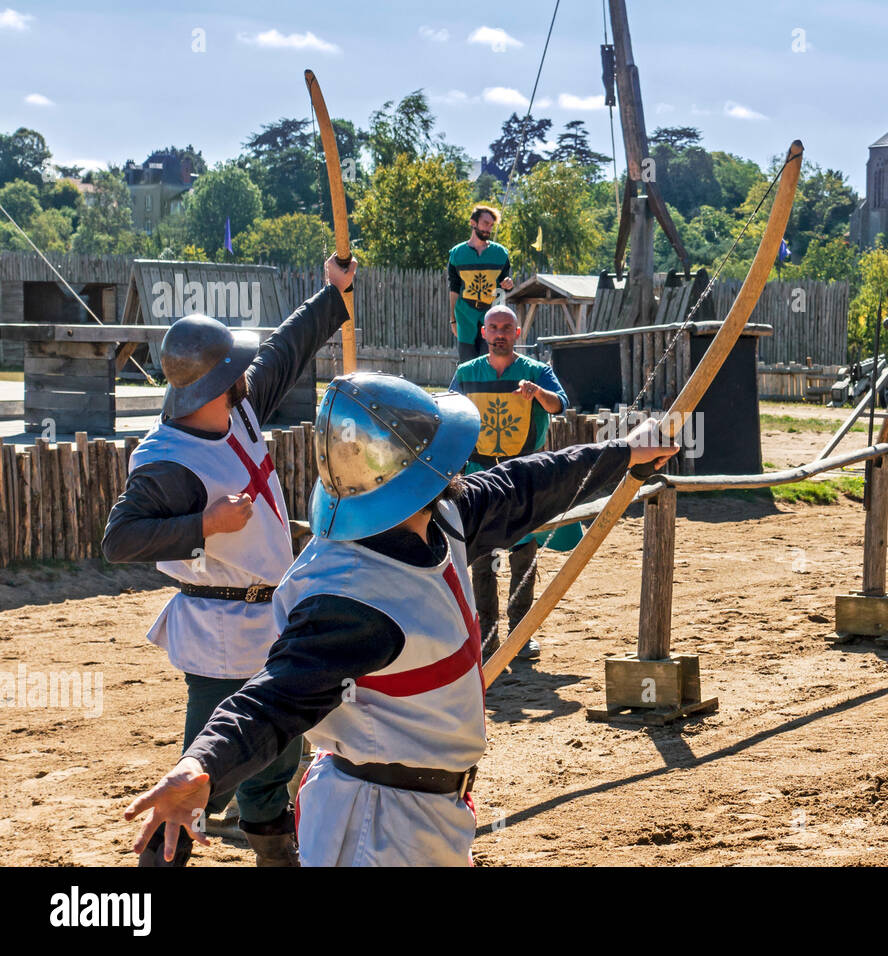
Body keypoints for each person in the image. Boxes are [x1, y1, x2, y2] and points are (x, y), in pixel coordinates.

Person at [124, 372, 677, 866]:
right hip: (376, 826)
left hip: (423, 814)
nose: (458, 465)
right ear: (419, 471)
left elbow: (525, 485)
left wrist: (623, 452)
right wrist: (204, 765)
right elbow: (272, 700)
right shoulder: (349, 597)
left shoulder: (440, 516)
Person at [102, 253, 357, 867]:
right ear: (215, 382)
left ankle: (277, 860)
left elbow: (283, 352)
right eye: (235, 369)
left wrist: (331, 293)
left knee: (276, 757)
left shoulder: (237, 409)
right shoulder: (167, 460)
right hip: (218, 632)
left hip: (271, 621)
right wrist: (206, 524)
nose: (249, 373)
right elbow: (121, 539)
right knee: (199, 779)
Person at [451, 304, 568, 662]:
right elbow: (451, 415)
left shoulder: (536, 371)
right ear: (483, 333)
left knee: (523, 554)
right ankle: (486, 635)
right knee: (482, 556)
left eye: (506, 327)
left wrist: (538, 394)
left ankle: (521, 634)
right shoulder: (466, 373)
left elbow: (559, 405)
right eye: (493, 327)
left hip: (523, 474)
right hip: (479, 475)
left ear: (518, 333)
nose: (500, 333)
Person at [448, 204, 513, 364]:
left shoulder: (500, 254)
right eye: (485, 223)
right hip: (464, 315)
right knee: (467, 364)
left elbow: (505, 283)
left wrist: (508, 283)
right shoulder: (457, 254)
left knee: (489, 362)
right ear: (473, 223)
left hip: (490, 315)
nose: (488, 229)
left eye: (491, 225)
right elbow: (454, 289)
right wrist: (453, 320)